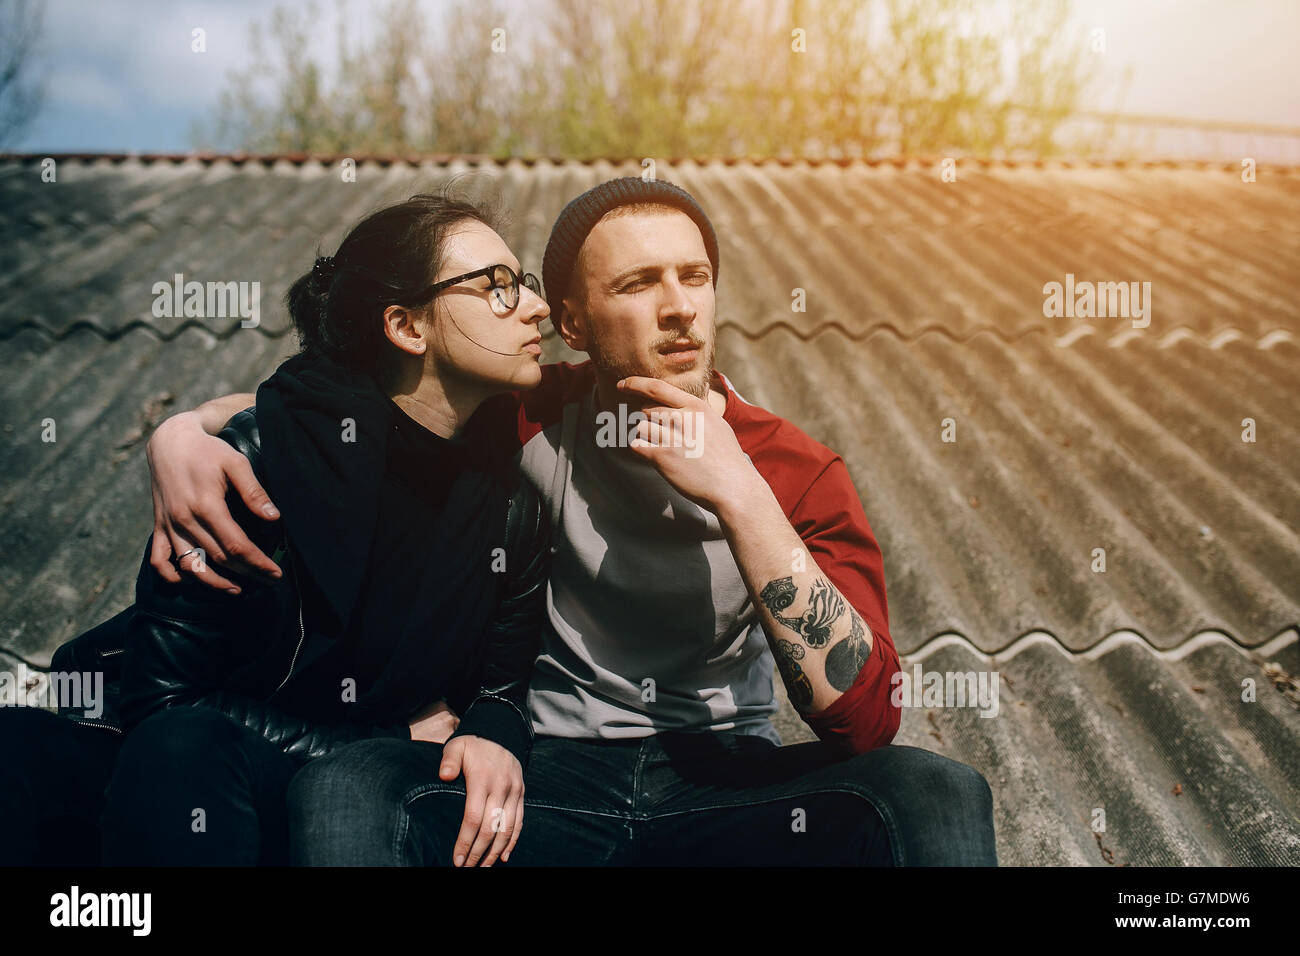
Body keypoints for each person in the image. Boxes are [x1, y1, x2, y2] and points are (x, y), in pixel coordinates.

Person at [142, 177, 998, 866]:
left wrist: (740, 493)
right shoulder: (522, 413)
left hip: (723, 778)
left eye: (693, 277)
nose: (678, 308)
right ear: (574, 322)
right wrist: (185, 431)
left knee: (933, 789)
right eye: (637, 284)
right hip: (546, 778)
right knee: (354, 784)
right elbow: (366, 409)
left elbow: (865, 720)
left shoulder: (794, 467)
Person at [0, 192, 552, 867]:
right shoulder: (258, 462)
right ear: (408, 327)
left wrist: (491, 731)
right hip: (178, 778)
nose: (535, 305)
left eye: (523, 282)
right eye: (496, 286)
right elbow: (165, 705)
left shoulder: (513, 507)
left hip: (344, 796)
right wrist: (388, 738)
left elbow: (502, 686)